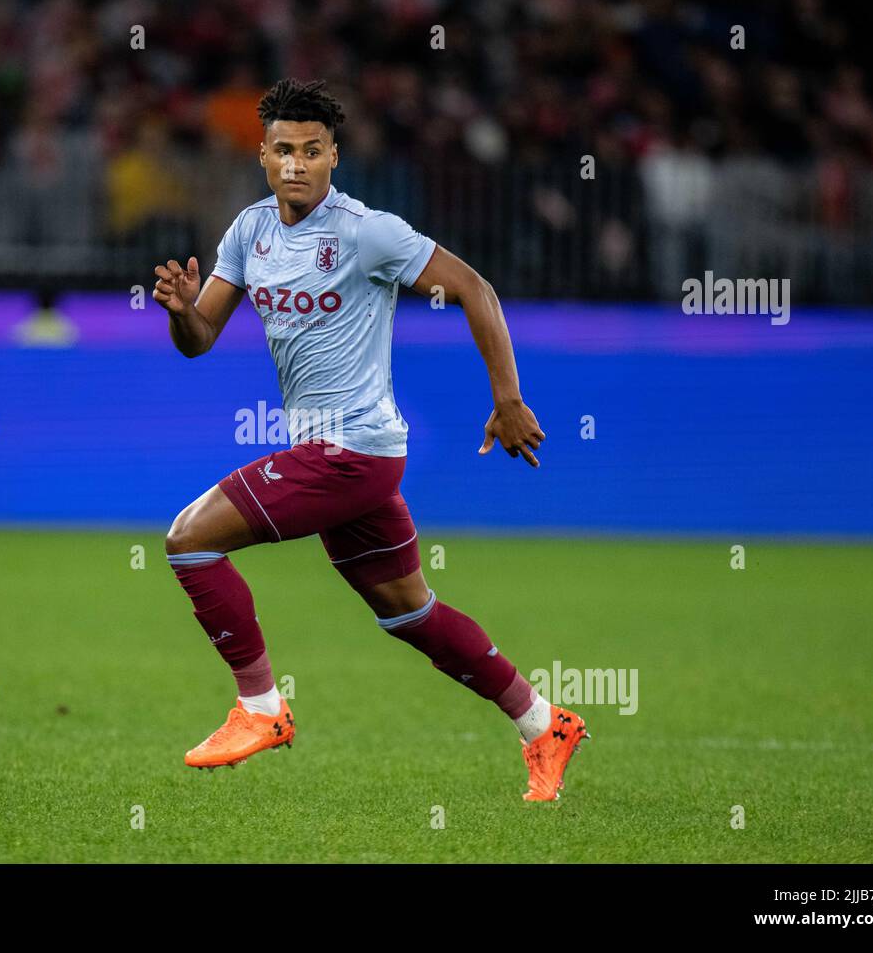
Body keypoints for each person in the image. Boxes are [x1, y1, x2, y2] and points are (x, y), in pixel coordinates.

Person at [152, 79, 588, 801]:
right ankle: (543, 723)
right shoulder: (248, 232)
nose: (297, 164)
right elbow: (200, 340)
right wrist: (179, 311)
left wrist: (507, 398)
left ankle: (261, 709)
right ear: (262, 155)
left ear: (334, 158)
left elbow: (475, 288)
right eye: (284, 150)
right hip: (348, 459)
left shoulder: (366, 232)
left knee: (188, 540)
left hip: (350, 451)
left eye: (312, 151)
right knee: (409, 613)